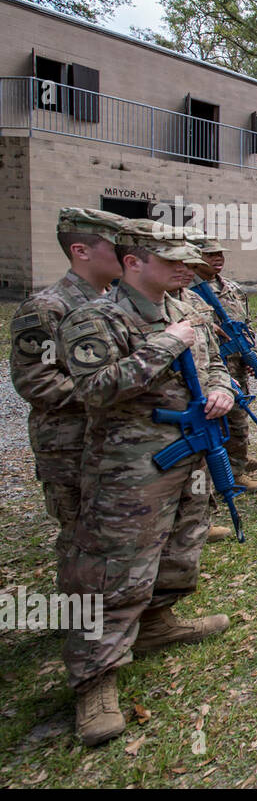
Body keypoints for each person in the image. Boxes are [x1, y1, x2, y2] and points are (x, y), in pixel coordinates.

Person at [57, 220, 234, 745]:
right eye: (173, 260)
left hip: (192, 454)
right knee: (111, 569)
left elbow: (216, 364)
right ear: (133, 262)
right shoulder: (96, 319)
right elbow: (91, 389)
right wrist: (162, 346)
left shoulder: (187, 312)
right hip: (130, 464)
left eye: (189, 260)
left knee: (183, 546)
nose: (186, 268)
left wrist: (222, 390)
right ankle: (94, 681)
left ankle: (158, 622)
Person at [10, 208, 126, 572]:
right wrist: (113, 393)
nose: (128, 256)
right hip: (72, 440)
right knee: (83, 534)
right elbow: (37, 381)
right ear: (81, 250)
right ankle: (88, 623)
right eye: (117, 247)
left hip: (118, 435)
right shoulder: (47, 308)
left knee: (121, 526)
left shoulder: (121, 302)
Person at [186, 231, 257, 501]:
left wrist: (250, 356)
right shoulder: (187, 293)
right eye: (210, 254)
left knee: (239, 414)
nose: (218, 259)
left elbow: (244, 326)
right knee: (224, 417)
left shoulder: (231, 288)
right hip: (208, 367)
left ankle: (239, 458)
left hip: (234, 362)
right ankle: (233, 472)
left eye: (220, 254)